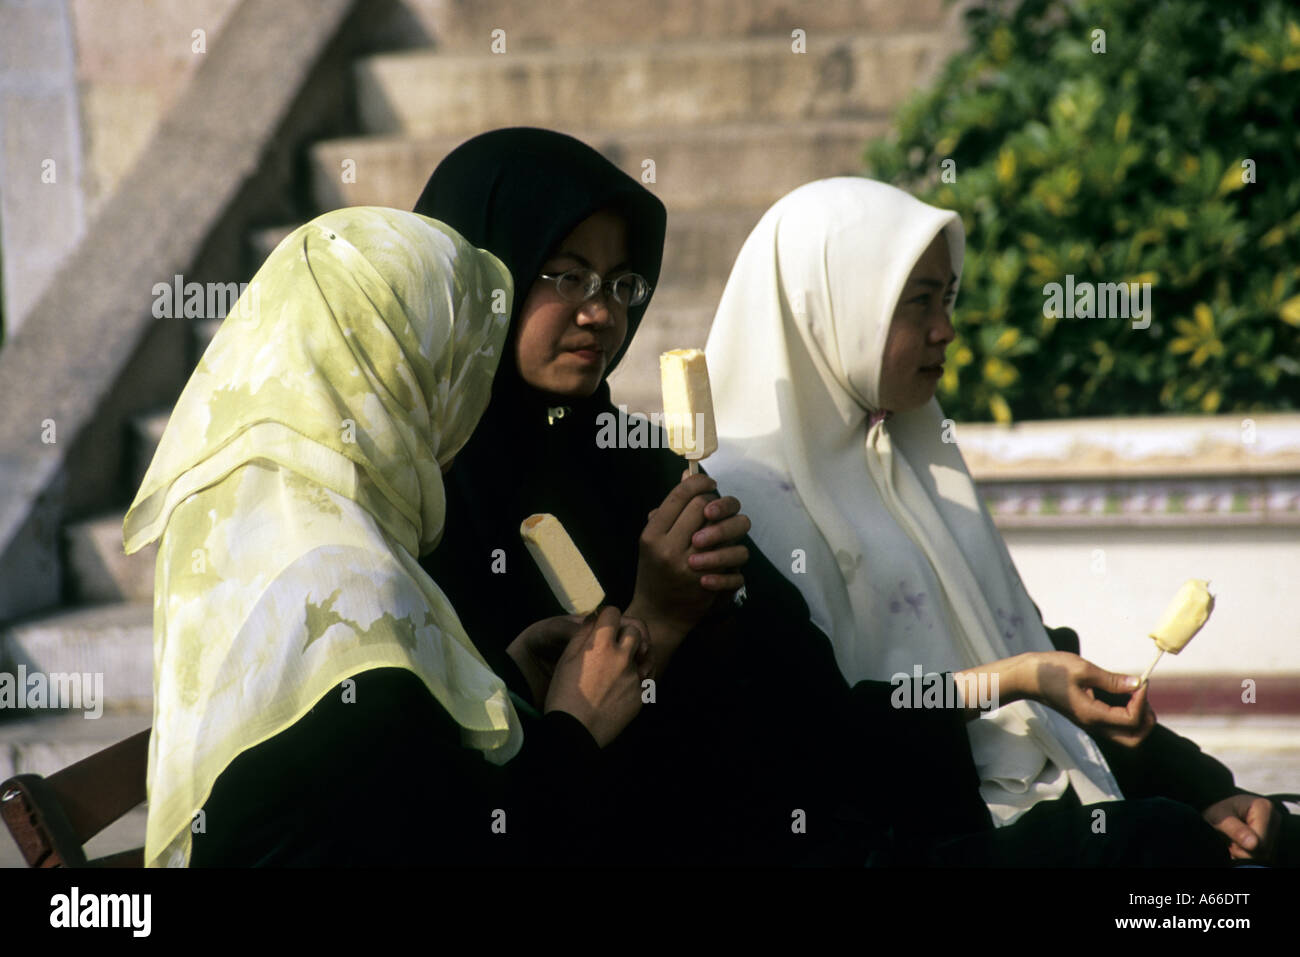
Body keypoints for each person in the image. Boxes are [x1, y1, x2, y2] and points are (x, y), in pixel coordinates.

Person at [412, 129, 1232, 866]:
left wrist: (1038, 683)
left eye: (622, 284)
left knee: (1171, 848)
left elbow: (820, 716)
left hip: (844, 827)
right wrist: (656, 621)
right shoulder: (430, 505)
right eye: (565, 275)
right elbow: (505, 802)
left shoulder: (652, 476)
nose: (600, 312)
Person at [704, 177, 1292, 864]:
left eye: (947, 299)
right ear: (824, 311)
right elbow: (828, 732)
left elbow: (1047, 672)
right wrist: (1011, 681)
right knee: (1151, 846)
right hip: (901, 840)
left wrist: (1211, 791)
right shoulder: (736, 505)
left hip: (1041, 802)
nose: (945, 329)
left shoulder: (914, 457)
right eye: (917, 302)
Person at [122, 206, 649, 867]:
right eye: (456, 362)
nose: (470, 399)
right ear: (399, 370)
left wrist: (507, 674)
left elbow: (375, 785)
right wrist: (577, 726)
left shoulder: (255, 530)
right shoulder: (352, 594)